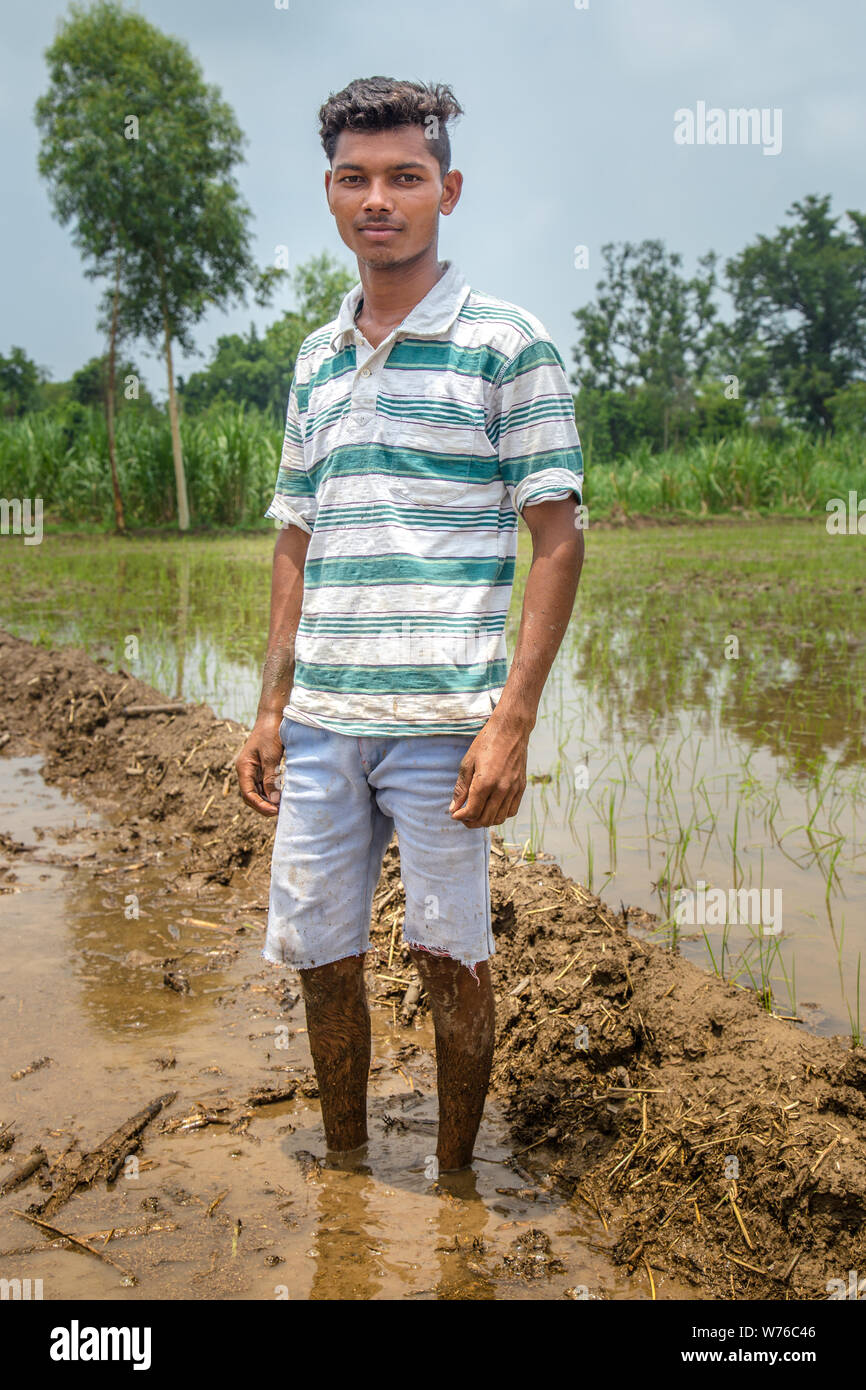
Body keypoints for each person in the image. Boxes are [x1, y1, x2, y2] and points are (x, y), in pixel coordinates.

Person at [236, 76, 585, 1174]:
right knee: (321, 957)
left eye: (403, 177)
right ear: (330, 193)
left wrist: (511, 721)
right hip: (324, 722)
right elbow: (295, 540)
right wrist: (269, 710)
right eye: (355, 177)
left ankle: (451, 1182)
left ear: (448, 189)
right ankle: (342, 1170)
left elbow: (557, 539)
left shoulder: (504, 344)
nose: (377, 198)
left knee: (450, 953)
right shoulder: (313, 359)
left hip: (443, 723)